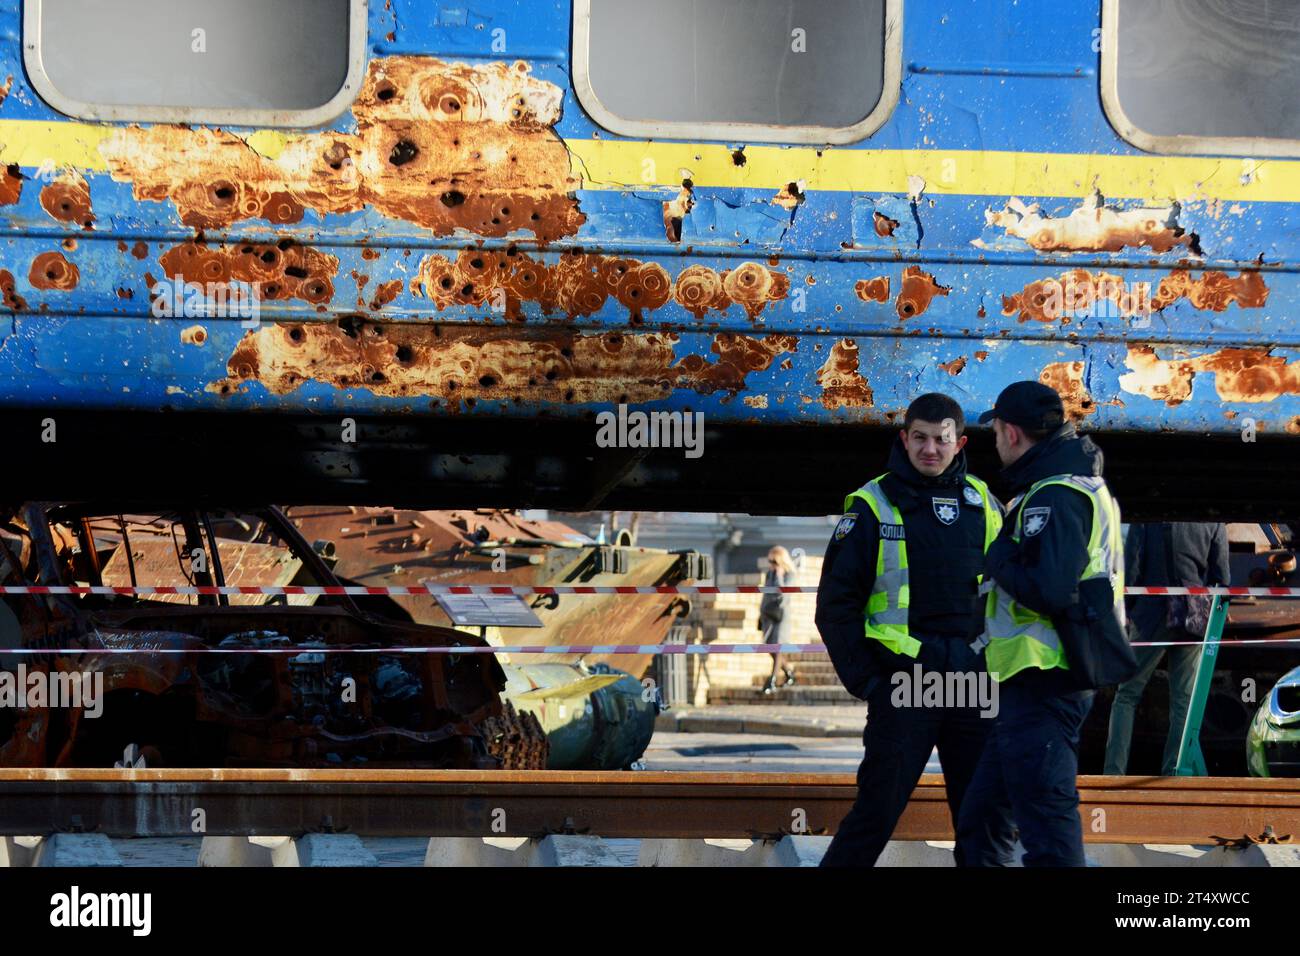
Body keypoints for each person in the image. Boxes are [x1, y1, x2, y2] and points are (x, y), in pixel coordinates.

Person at [816, 392, 1005, 867]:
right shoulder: (870, 504)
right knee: (875, 816)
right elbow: (835, 607)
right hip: (906, 684)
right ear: (904, 438)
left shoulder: (984, 502)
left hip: (973, 683)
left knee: (982, 821)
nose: (930, 449)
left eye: (941, 440)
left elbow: (1010, 597)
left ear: (959, 443)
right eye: (919, 438)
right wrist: (869, 683)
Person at [956, 381, 1126, 867]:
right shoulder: (1067, 486)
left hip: (1045, 680)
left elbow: (1052, 589)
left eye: (994, 432)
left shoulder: (1055, 495)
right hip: (1032, 685)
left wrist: (999, 558)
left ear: (1011, 432)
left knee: (1047, 832)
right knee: (982, 820)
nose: (994, 442)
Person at [1104, 522, 1230, 775]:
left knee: (1127, 695)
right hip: (1193, 615)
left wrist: (1127, 607)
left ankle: (1113, 771)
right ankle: (1175, 772)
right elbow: (1222, 580)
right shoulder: (1213, 522)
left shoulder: (1152, 518)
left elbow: (1134, 563)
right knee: (1183, 700)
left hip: (1151, 614)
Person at [760, 545, 798, 694]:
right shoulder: (769, 573)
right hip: (769, 614)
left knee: (777, 647)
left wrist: (780, 576)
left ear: (781, 560)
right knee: (769, 647)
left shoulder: (789, 574)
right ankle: (789, 673)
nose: (771, 564)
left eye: (774, 561)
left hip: (782, 615)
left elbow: (782, 596)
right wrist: (761, 612)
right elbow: (765, 594)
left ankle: (772, 681)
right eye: (769, 561)